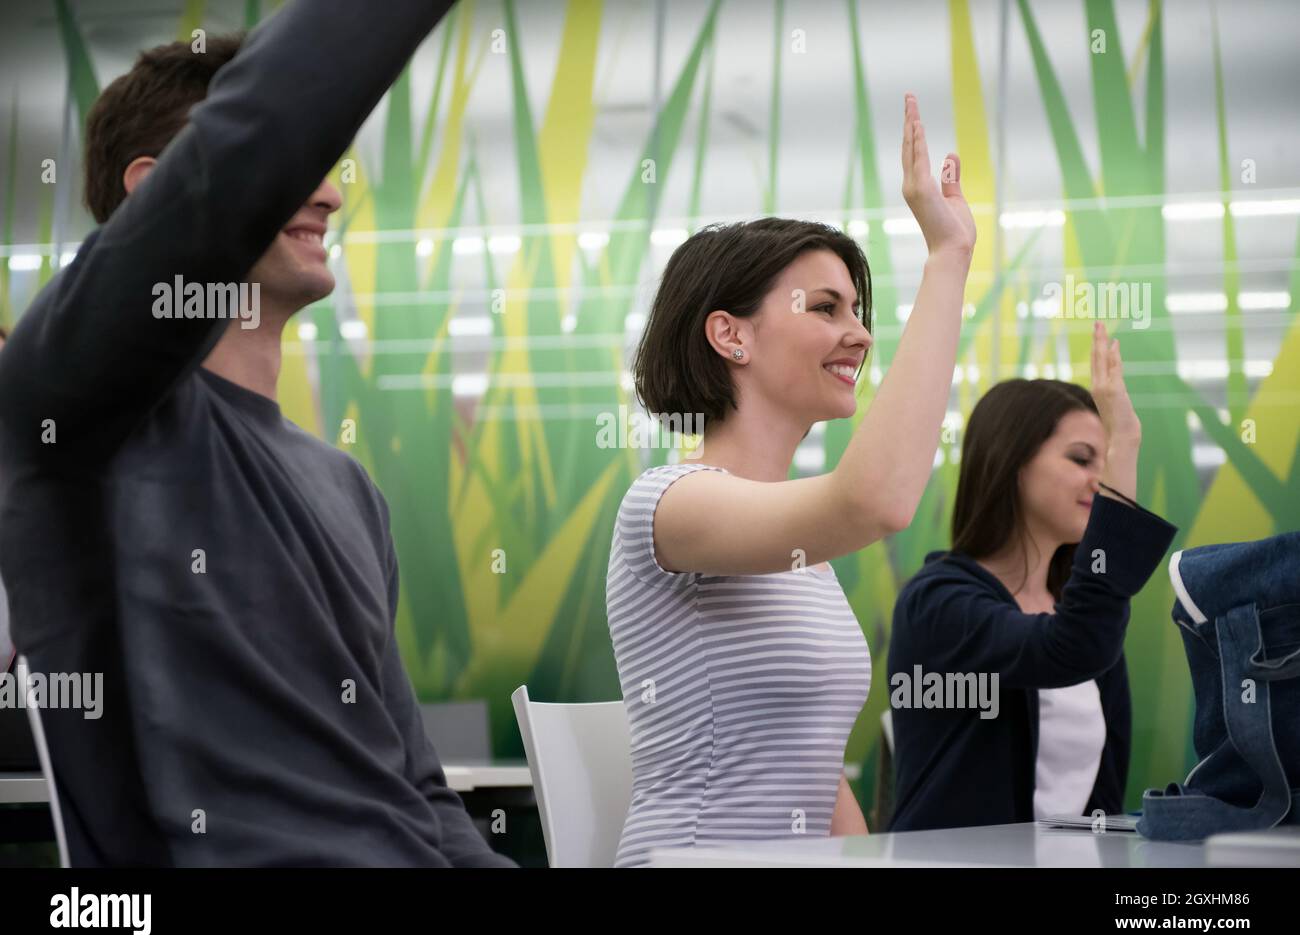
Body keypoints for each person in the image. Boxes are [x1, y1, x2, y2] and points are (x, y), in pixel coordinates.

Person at [0, 0, 513, 866]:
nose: (332, 193)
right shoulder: (75, 406)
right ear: (151, 196)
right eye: (298, 170)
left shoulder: (347, 488)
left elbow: (416, 788)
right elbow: (264, 122)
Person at [607, 94, 977, 866]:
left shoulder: (801, 551)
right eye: (827, 306)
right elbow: (877, 498)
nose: (861, 332)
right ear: (729, 334)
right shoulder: (670, 505)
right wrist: (948, 258)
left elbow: (814, 773)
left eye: (860, 309)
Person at [887, 322, 1178, 830]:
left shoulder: (1081, 606)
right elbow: (1072, 646)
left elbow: (1105, 798)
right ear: (1012, 464)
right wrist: (1125, 442)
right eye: (1082, 458)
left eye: (1106, 461)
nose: (1100, 478)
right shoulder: (937, 602)